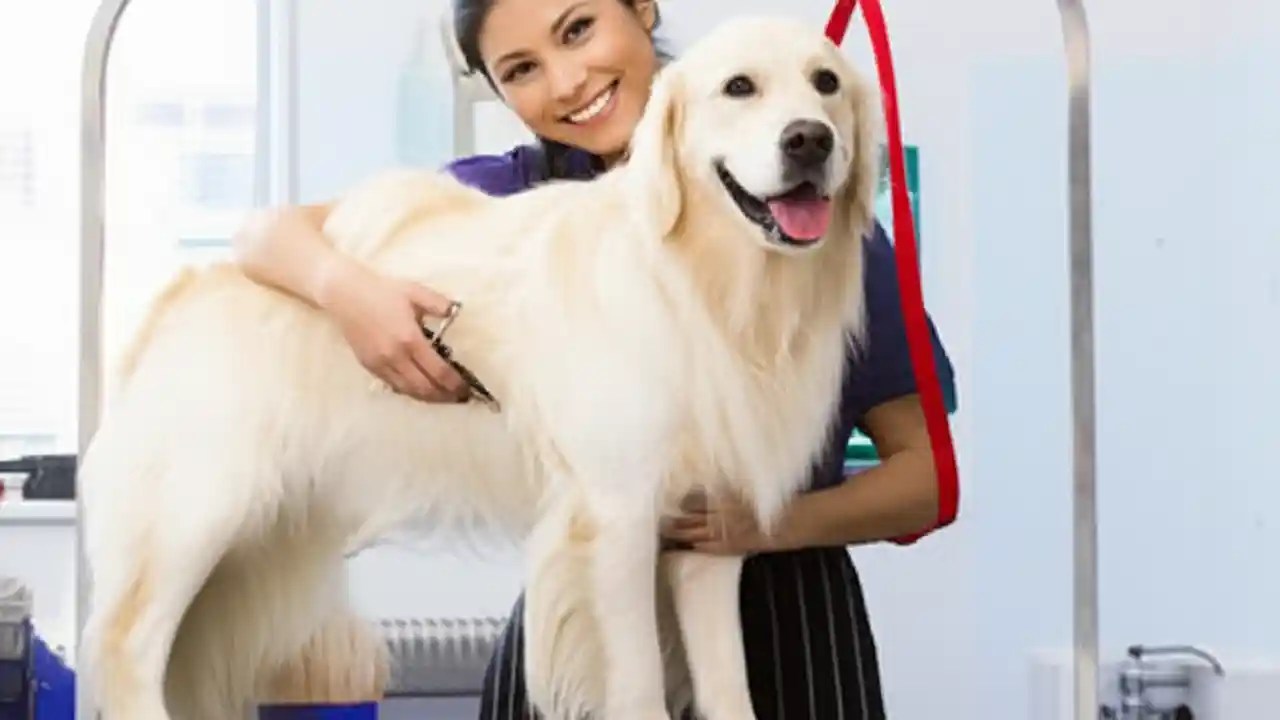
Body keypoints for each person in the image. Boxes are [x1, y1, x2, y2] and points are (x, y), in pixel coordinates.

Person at [231, 1, 959, 718]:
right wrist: (350, 292)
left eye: (578, 30)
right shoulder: (514, 200)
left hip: (786, 621)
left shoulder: (817, 234)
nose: (568, 80)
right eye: (522, 70)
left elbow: (928, 480)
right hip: (584, 612)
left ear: (642, 9)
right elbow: (267, 236)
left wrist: (768, 525)